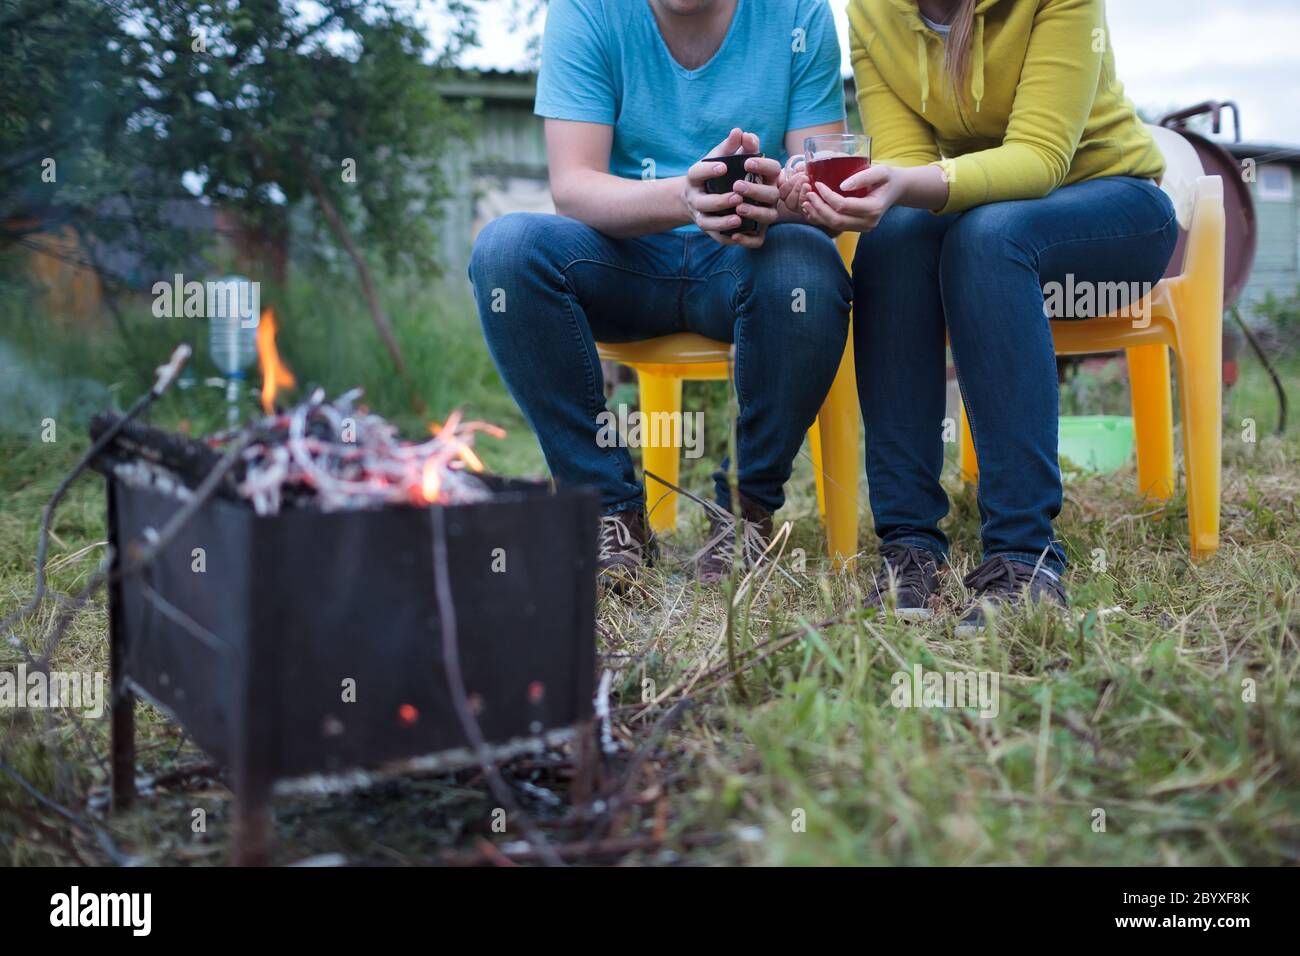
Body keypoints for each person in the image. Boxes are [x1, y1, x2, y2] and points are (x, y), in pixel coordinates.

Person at [783, 0, 1177, 632]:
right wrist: (873, 196)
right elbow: (908, 170)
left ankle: (1026, 556)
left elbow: (1040, 156)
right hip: (983, 215)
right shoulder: (872, 11)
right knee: (894, 239)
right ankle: (908, 546)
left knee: (987, 239)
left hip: (1115, 208)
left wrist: (908, 186)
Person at [470, 0, 853, 588]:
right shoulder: (587, 11)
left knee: (807, 267)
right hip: (622, 256)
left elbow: (815, 192)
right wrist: (683, 197)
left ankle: (745, 511)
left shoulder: (799, 12)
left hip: (744, 254)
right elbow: (573, 189)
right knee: (506, 251)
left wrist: (772, 196)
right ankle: (609, 511)